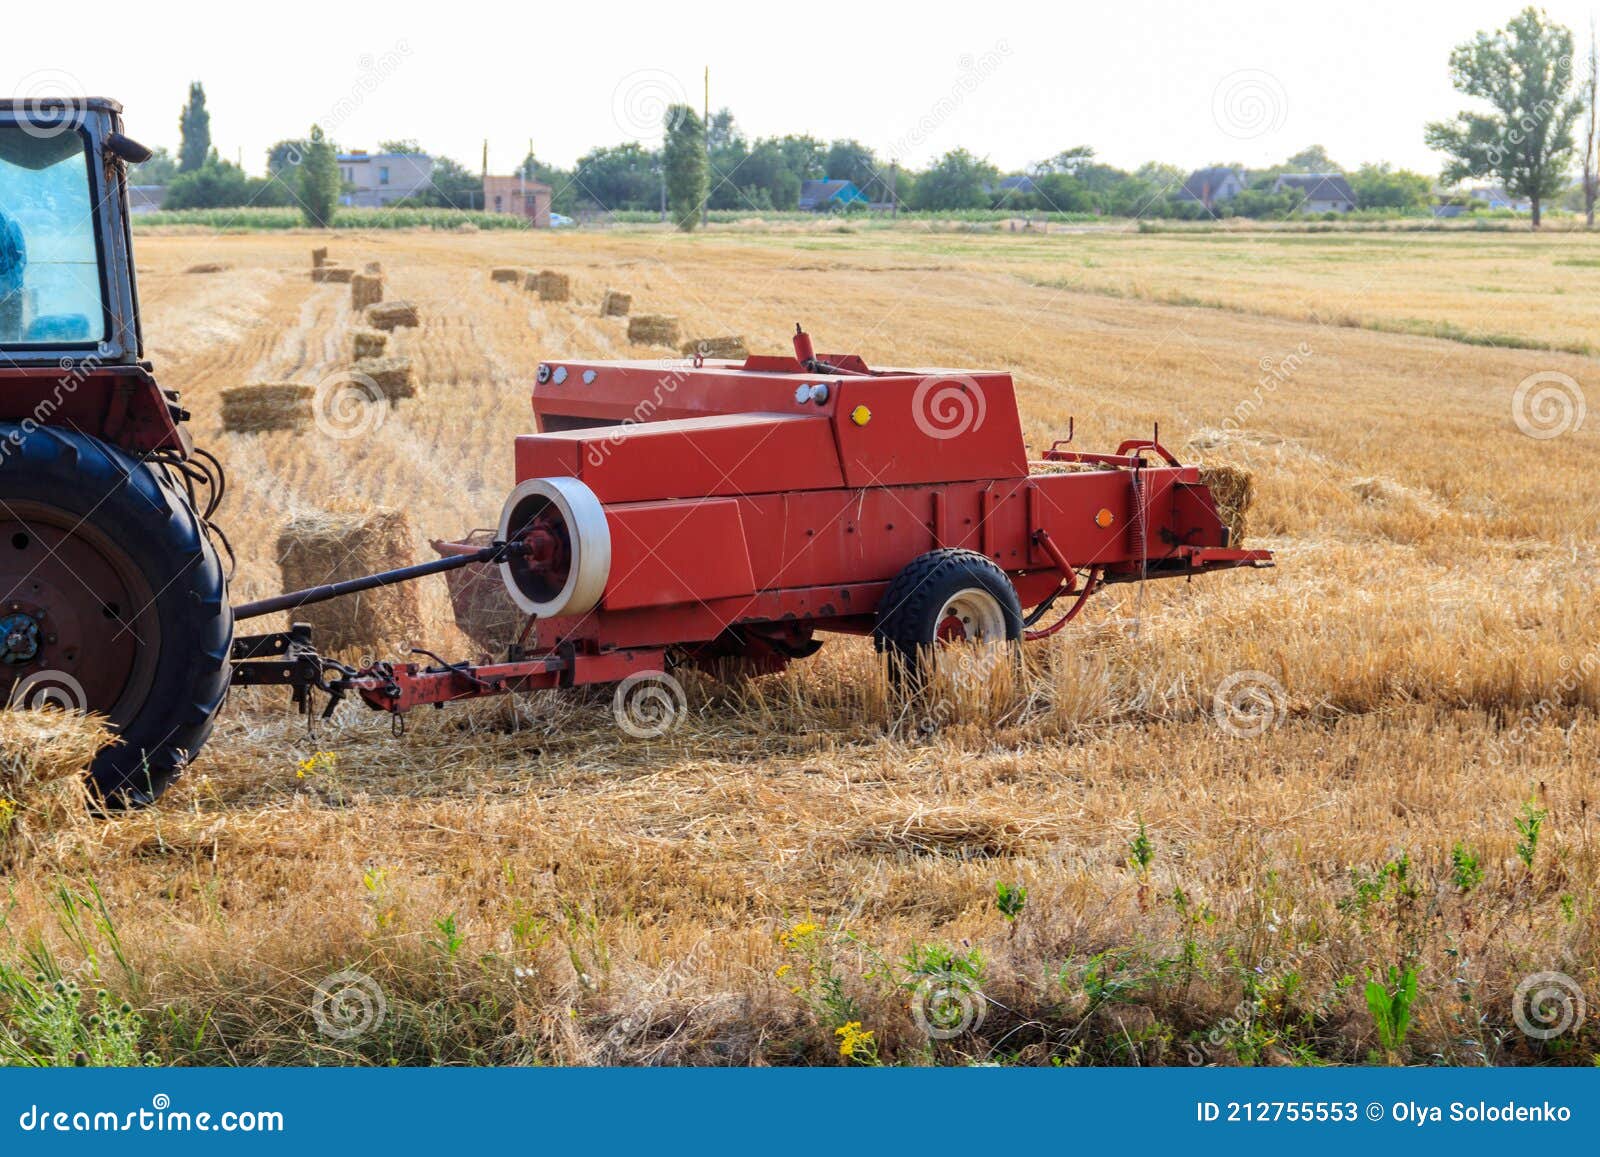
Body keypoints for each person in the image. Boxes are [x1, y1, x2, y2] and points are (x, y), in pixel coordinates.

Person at [0, 206, 25, 342]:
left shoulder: (8, 224)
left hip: (8, 296)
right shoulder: (10, 223)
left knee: (9, 341)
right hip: (10, 293)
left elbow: (16, 258)